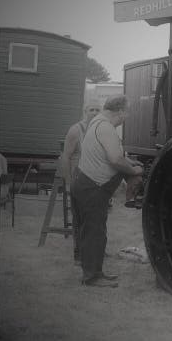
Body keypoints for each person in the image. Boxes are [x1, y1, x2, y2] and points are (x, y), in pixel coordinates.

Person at [70, 95, 144, 288]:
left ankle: (95, 272)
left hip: (85, 183)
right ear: (120, 112)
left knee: (94, 230)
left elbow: (111, 156)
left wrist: (128, 162)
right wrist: (134, 170)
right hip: (93, 187)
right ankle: (92, 277)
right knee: (94, 231)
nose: (125, 118)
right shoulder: (106, 128)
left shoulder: (96, 122)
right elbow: (115, 160)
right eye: (126, 114)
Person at [60, 100, 101, 264]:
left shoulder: (99, 130)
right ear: (85, 112)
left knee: (97, 218)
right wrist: (68, 182)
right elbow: (66, 157)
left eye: (98, 110)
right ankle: (79, 254)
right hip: (79, 179)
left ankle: (96, 251)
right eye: (92, 109)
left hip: (96, 181)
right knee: (80, 219)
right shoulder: (76, 130)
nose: (95, 112)